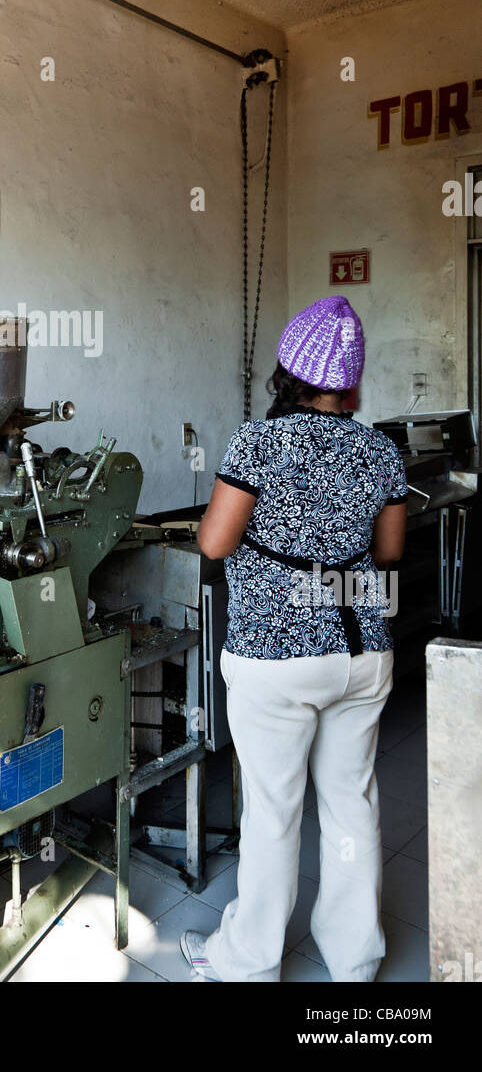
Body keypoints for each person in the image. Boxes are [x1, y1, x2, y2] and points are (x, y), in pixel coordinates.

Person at [180, 296, 408, 982]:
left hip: (275, 659)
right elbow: (390, 551)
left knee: (274, 813)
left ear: (288, 370)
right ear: (352, 381)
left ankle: (248, 962)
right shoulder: (380, 450)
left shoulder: (257, 442)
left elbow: (215, 544)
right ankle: (355, 959)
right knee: (351, 804)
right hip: (362, 648)